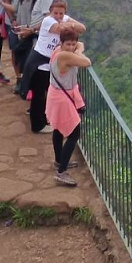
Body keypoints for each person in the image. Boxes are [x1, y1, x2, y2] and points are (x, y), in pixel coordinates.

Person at [47, 25, 91, 186]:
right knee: (74, 134)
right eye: (68, 44)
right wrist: (78, 51)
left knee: (58, 129)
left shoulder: (56, 52)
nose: (71, 47)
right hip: (62, 99)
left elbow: (79, 47)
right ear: (62, 43)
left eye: (73, 44)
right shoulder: (65, 56)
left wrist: (77, 48)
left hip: (55, 95)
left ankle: (59, 161)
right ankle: (61, 172)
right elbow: (87, 62)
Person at [27, 0, 74, 134]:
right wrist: (68, 23)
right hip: (40, 65)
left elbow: (82, 28)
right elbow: (61, 30)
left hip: (48, 66)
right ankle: (37, 126)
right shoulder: (48, 21)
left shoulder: (61, 20)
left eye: (62, 13)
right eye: (56, 13)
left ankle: (43, 119)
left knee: (43, 94)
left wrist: (67, 22)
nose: (59, 16)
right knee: (39, 95)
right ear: (50, 12)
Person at [14, 0, 56, 99]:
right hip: (36, 37)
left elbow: (49, 19)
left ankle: (39, 101)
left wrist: (32, 30)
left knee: (36, 70)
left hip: (41, 40)